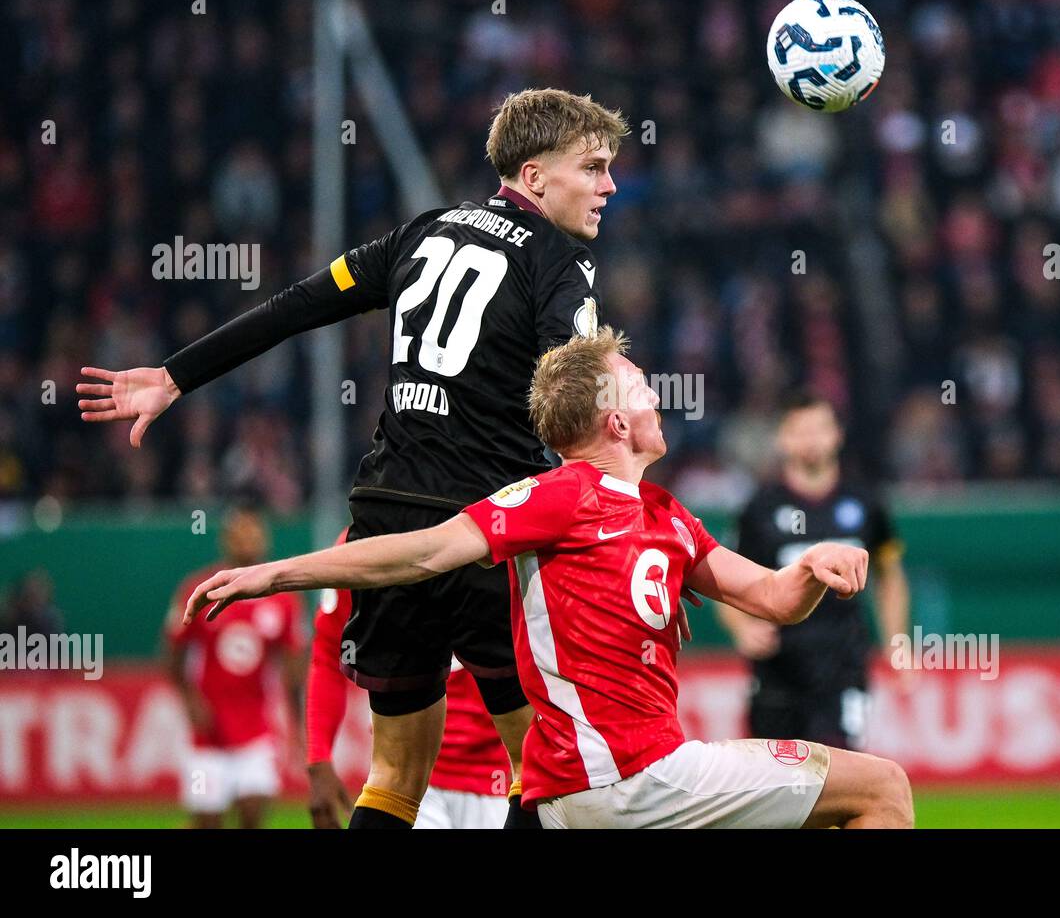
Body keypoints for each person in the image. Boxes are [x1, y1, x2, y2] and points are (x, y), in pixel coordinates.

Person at [78, 89, 628, 827]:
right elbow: (574, 396)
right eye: (592, 168)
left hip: (385, 520)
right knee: (542, 767)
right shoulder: (561, 262)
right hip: (484, 532)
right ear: (534, 176)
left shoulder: (421, 232)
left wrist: (176, 375)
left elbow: (298, 304)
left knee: (394, 776)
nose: (609, 187)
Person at [183, 328, 913, 829]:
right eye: (639, 385)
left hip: (578, 795)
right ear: (613, 420)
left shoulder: (666, 514)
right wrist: (275, 574)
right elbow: (417, 551)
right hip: (629, 778)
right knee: (885, 789)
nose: (657, 393)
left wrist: (814, 569)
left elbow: (772, 598)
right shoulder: (558, 496)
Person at [719, 392, 910, 749]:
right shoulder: (759, 509)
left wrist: (897, 642)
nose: (810, 440)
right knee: (774, 786)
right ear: (782, 439)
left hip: (844, 665)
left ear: (837, 434)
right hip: (778, 667)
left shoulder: (866, 503)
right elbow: (725, 577)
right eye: (799, 431)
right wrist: (741, 627)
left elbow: (890, 576)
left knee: (843, 774)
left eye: (819, 429)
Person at [308, 532, 510, 828]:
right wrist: (318, 758)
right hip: (404, 780)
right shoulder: (364, 538)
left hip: (499, 776)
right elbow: (328, 654)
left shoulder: (503, 527)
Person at [163, 504, 305, 828]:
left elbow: (293, 668)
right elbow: (172, 652)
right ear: (226, 541)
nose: (248, 541)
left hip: (256, 730)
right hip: (209, 732)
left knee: (253, 816)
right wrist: (189, 700)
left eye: (254, 533)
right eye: (240, 534)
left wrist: (297, 727)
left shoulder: (283, 600)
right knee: (207, 822)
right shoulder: (200, 589)